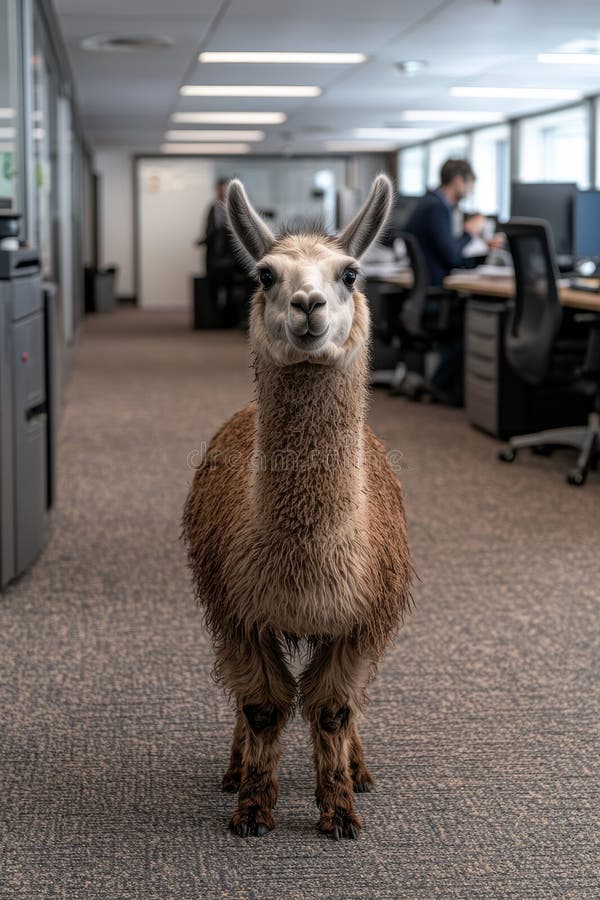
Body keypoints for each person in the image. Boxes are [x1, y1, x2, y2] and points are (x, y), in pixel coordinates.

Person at [404, 158, 503, 404]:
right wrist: (470, 232)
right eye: (471, 185)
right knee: (475, 323)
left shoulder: (429, 203)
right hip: (436, 296)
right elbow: (453, 258)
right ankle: (439, 384)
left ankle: (442, 383)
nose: (471, 191)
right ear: (459, 181)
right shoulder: (437, 207)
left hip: (429, 292)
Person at [197, 177, 243, 327]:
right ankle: (215, 320)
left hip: (232, 256)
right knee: (213, 288)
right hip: (214, 255)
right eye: (220, 188)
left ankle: (230, 320)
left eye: (225, 188)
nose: (222, 191)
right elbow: (209, 230)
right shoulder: (213, 207)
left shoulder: (236, 206)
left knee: (231, 288)